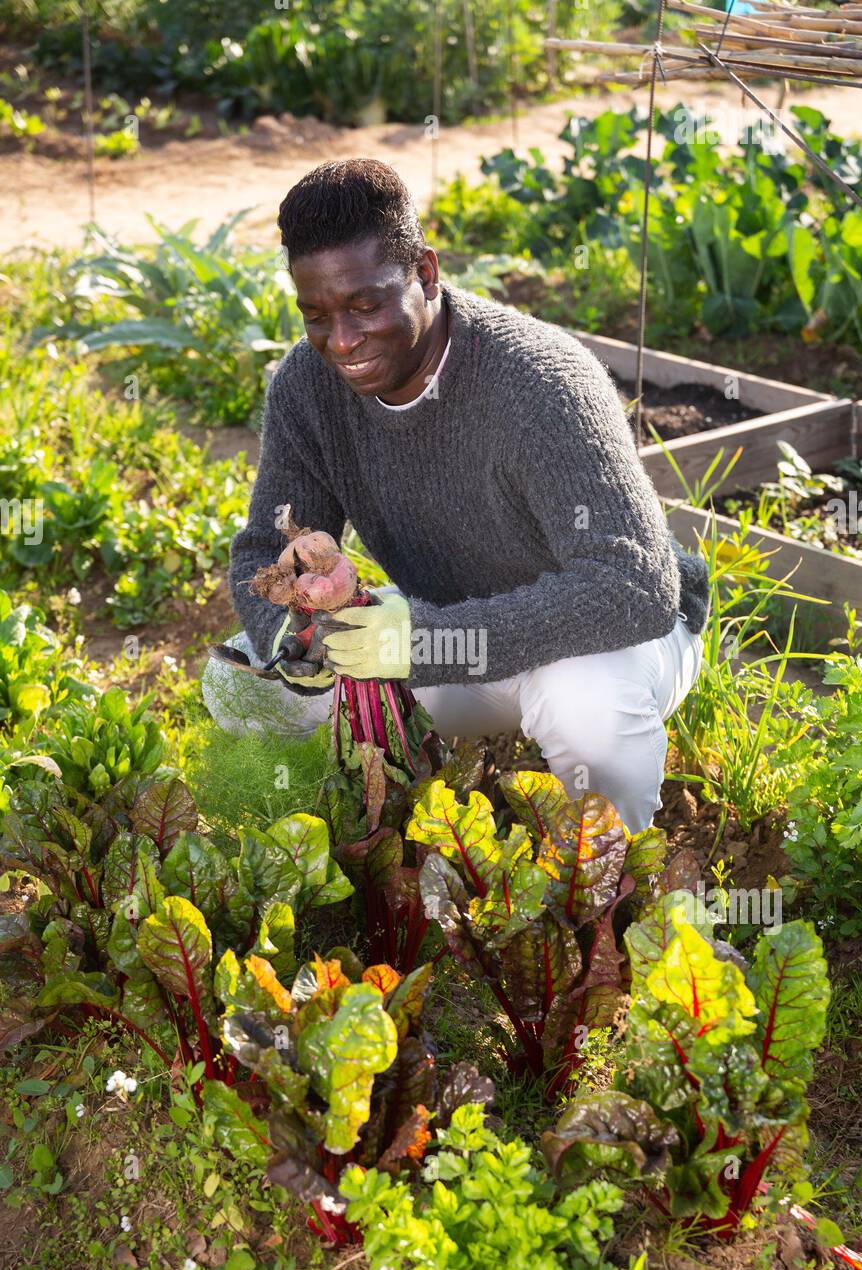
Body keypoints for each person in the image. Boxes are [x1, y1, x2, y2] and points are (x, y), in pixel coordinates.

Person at [203, 157, 709, 833]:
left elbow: (634, 590)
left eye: (365, 304)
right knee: (241, 683)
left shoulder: (540, 383)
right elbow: (262, 552)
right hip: (449, 635)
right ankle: (386, 822)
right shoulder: (308, 386)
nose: (343, 340)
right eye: (316, 314)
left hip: (601, 641)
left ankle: (622, 884)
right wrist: (300, 623)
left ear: (426, 273)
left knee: (586, 706)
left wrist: (424, 645)